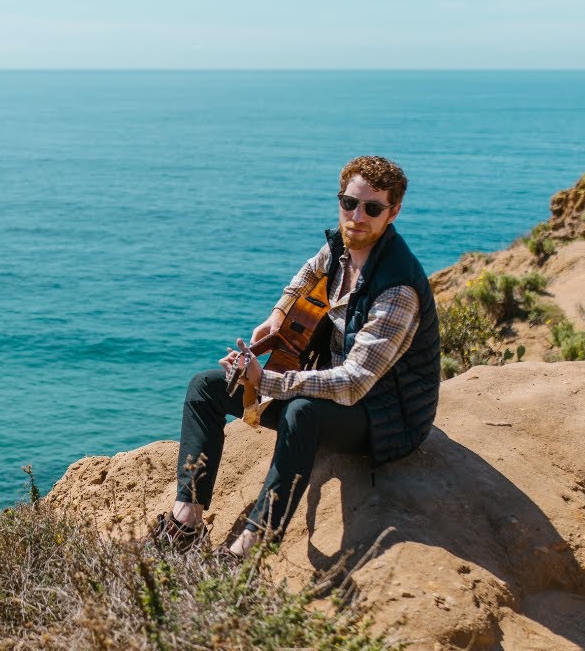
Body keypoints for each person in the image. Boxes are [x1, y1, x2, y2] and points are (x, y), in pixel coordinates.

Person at [153, 156, 441, 558]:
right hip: (329, 392)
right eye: (348, 203)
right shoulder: (342, 246)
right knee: (206, 387)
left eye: (372, 208)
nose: (356, 216)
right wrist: (277, 316)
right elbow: (305, 275)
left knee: (301, 412)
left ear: (393, 212)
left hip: (384, 417)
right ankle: (186, 519)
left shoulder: (397, 288)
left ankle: (251, 544)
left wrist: (265, 381)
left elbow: (354, 381)